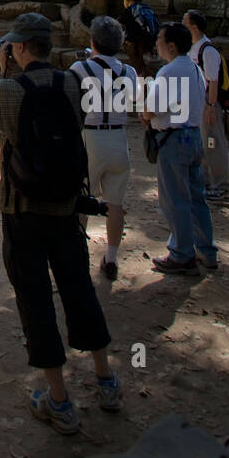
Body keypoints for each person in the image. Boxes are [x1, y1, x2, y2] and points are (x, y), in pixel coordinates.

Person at [0, 12, 120, 435]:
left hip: (21, 210)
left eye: (11, 47)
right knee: (79, 288)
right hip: (64, 207)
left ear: (19, 48)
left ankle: (58, 399)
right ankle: (106, 380)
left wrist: (0, 72)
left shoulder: (7, 88)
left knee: (35, 298)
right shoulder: (72, 82)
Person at [142, 23, 217, 275]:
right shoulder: (195, 69)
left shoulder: (168, 72)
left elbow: (152, 108)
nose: (157, 44)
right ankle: (206, 250)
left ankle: (182, 254)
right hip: (193, 136)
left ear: (171, 45)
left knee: (175, 198)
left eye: (160, 40)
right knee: (196, 197)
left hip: (174, 139)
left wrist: (145, 115)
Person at [69, 15, 140, 282]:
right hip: (119, 139)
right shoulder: (128, 72)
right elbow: (133, 101)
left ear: (92, 41)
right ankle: (111, 257)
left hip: (91, 138)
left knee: (81, 200)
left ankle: (78, 256)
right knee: (116, 204)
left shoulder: (79, 68)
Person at [183, 10, 229, 204]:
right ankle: (204, 182)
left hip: (207, 101)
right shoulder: (193, 48)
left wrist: (211, 106)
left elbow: (213, 80)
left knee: (213, 143)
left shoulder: (208, 50)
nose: (183, 24)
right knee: (202, 143)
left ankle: (222, 186)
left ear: (194, 26)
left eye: (185, 22)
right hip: (197, 99)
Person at [121, 0, 158, 76]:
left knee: (138, 69)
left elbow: (118, 23)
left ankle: (142, 86)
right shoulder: (146, 8)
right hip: (149, 41)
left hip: (135, 44)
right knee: (145, 67)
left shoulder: (130, 11)